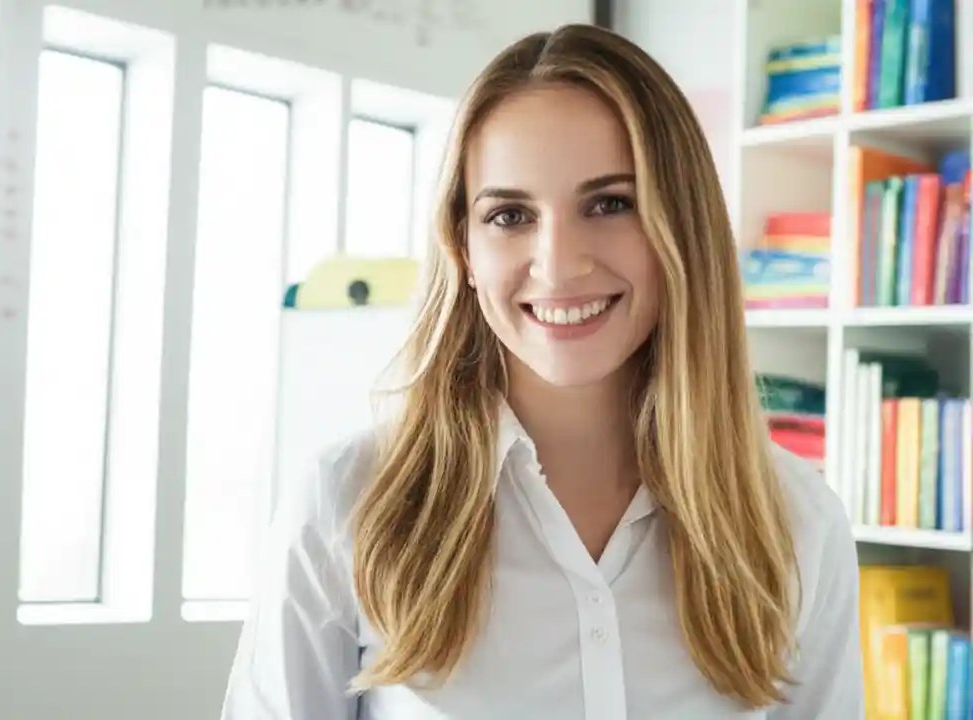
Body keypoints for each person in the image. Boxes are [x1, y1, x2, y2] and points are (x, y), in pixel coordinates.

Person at [220, 24, 863, 720]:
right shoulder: (346, 504)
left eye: (610, 203)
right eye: (510, 214)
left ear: (683, 225)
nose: (558, 263)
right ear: (463, 249)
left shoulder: (798, 523)